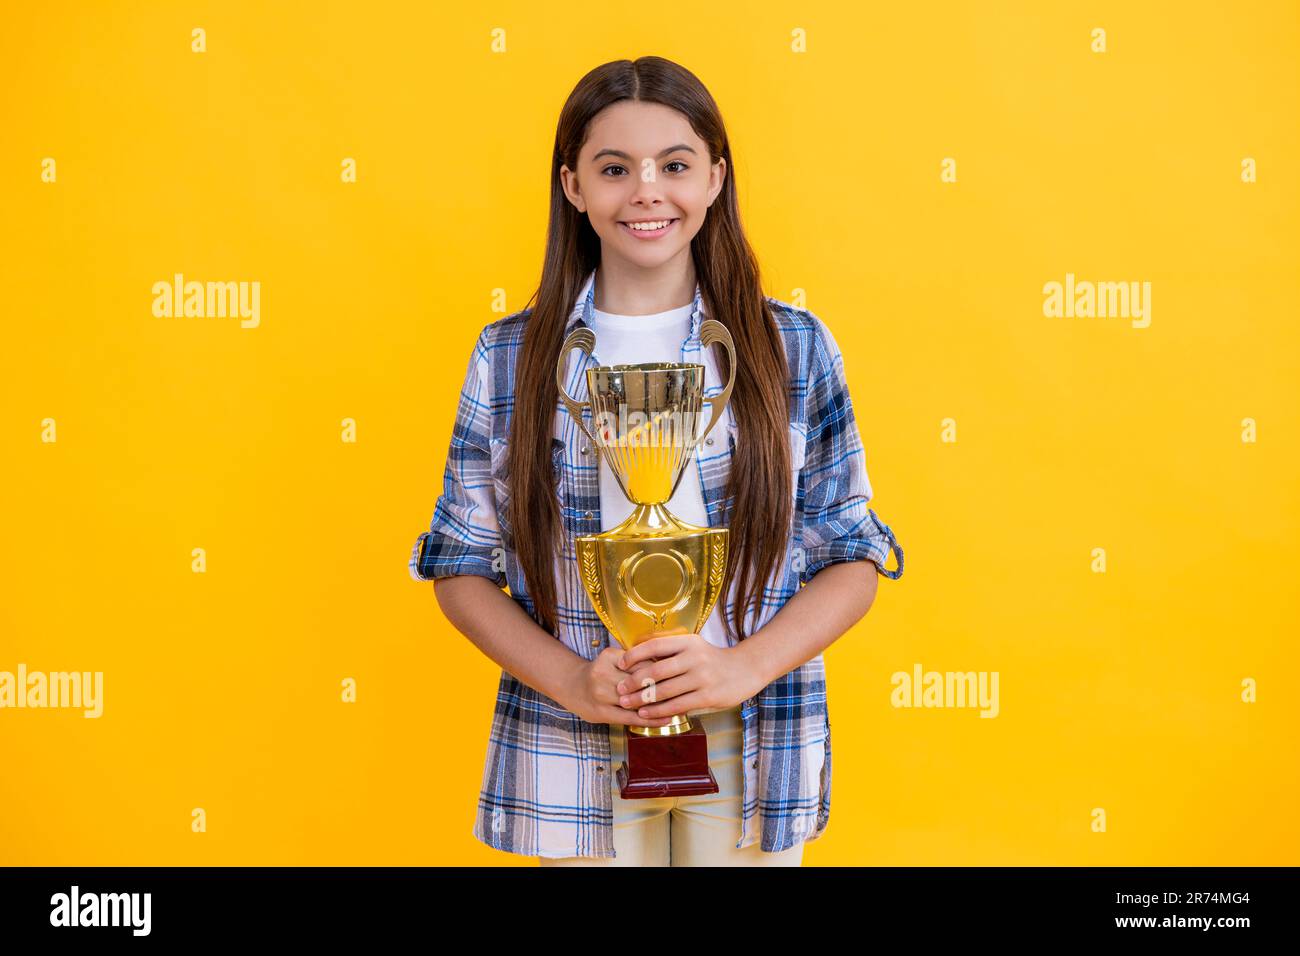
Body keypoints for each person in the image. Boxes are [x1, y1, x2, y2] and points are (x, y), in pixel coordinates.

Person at [408, 55, 904, 866]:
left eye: (674, 165)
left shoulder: (792, 348)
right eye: (614, 168)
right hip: (570, 746)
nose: (646, 191)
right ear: (573, 186)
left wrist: (741, 669)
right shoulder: (508, 358)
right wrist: (573, 682)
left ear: (715, 178)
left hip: (753, 737)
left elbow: (853, 555)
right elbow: (459, 568)